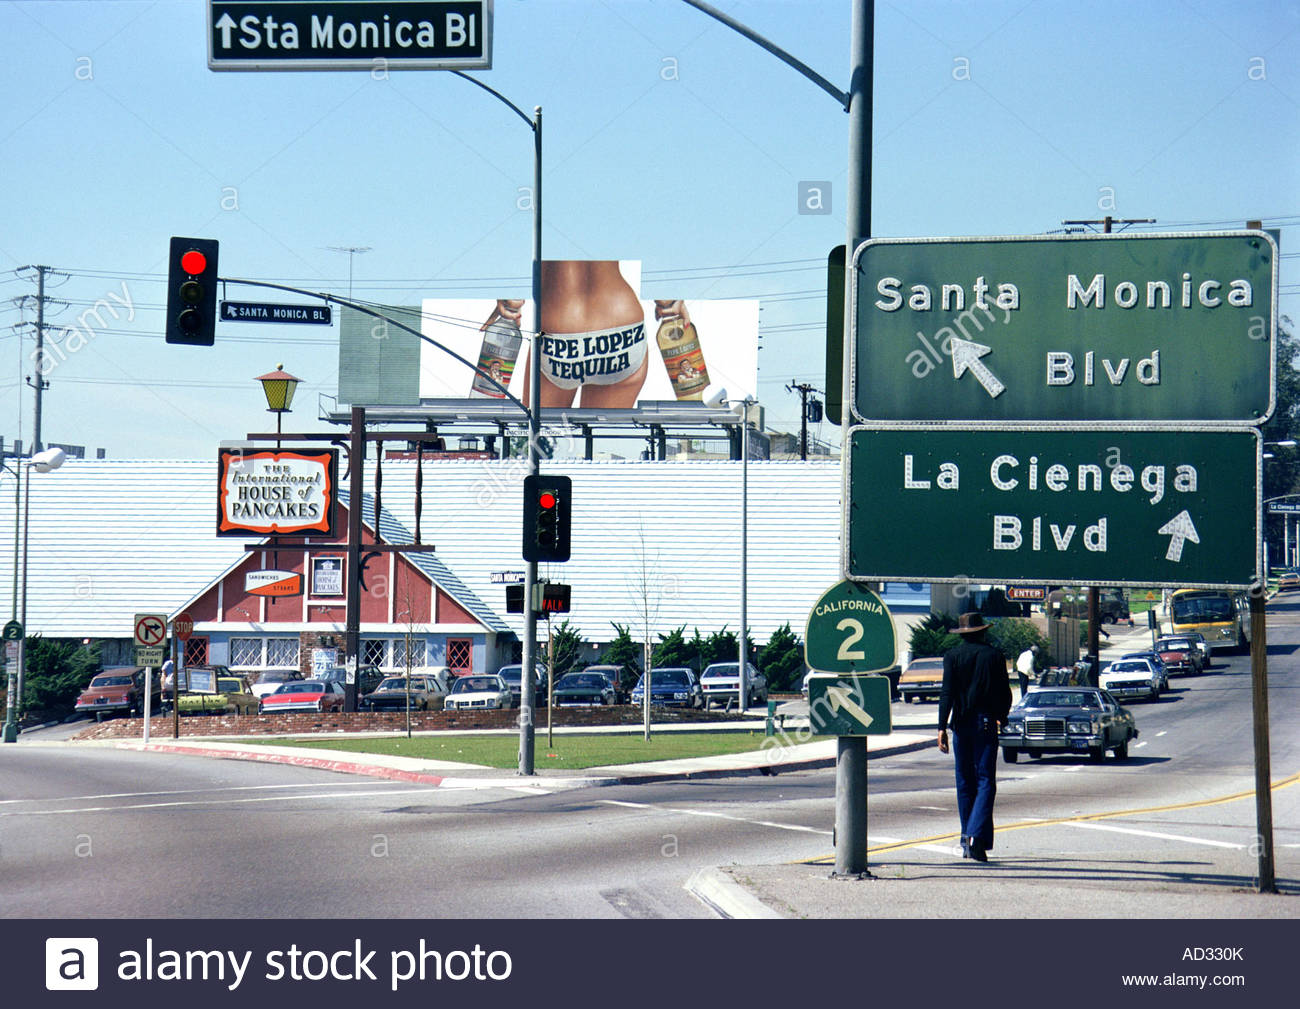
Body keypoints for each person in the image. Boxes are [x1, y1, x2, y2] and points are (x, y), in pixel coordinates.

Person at [938, 612, 1013, 862]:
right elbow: (1004, 691)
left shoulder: (952, 657)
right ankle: (975, 836)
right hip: (984, 721)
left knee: (964, 781)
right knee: (985, 782)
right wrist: (1001, 715)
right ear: (982, 631)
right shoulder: (993, 656)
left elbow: (946, 692)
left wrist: (941, 727)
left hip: (959, 723)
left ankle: (967, 839)